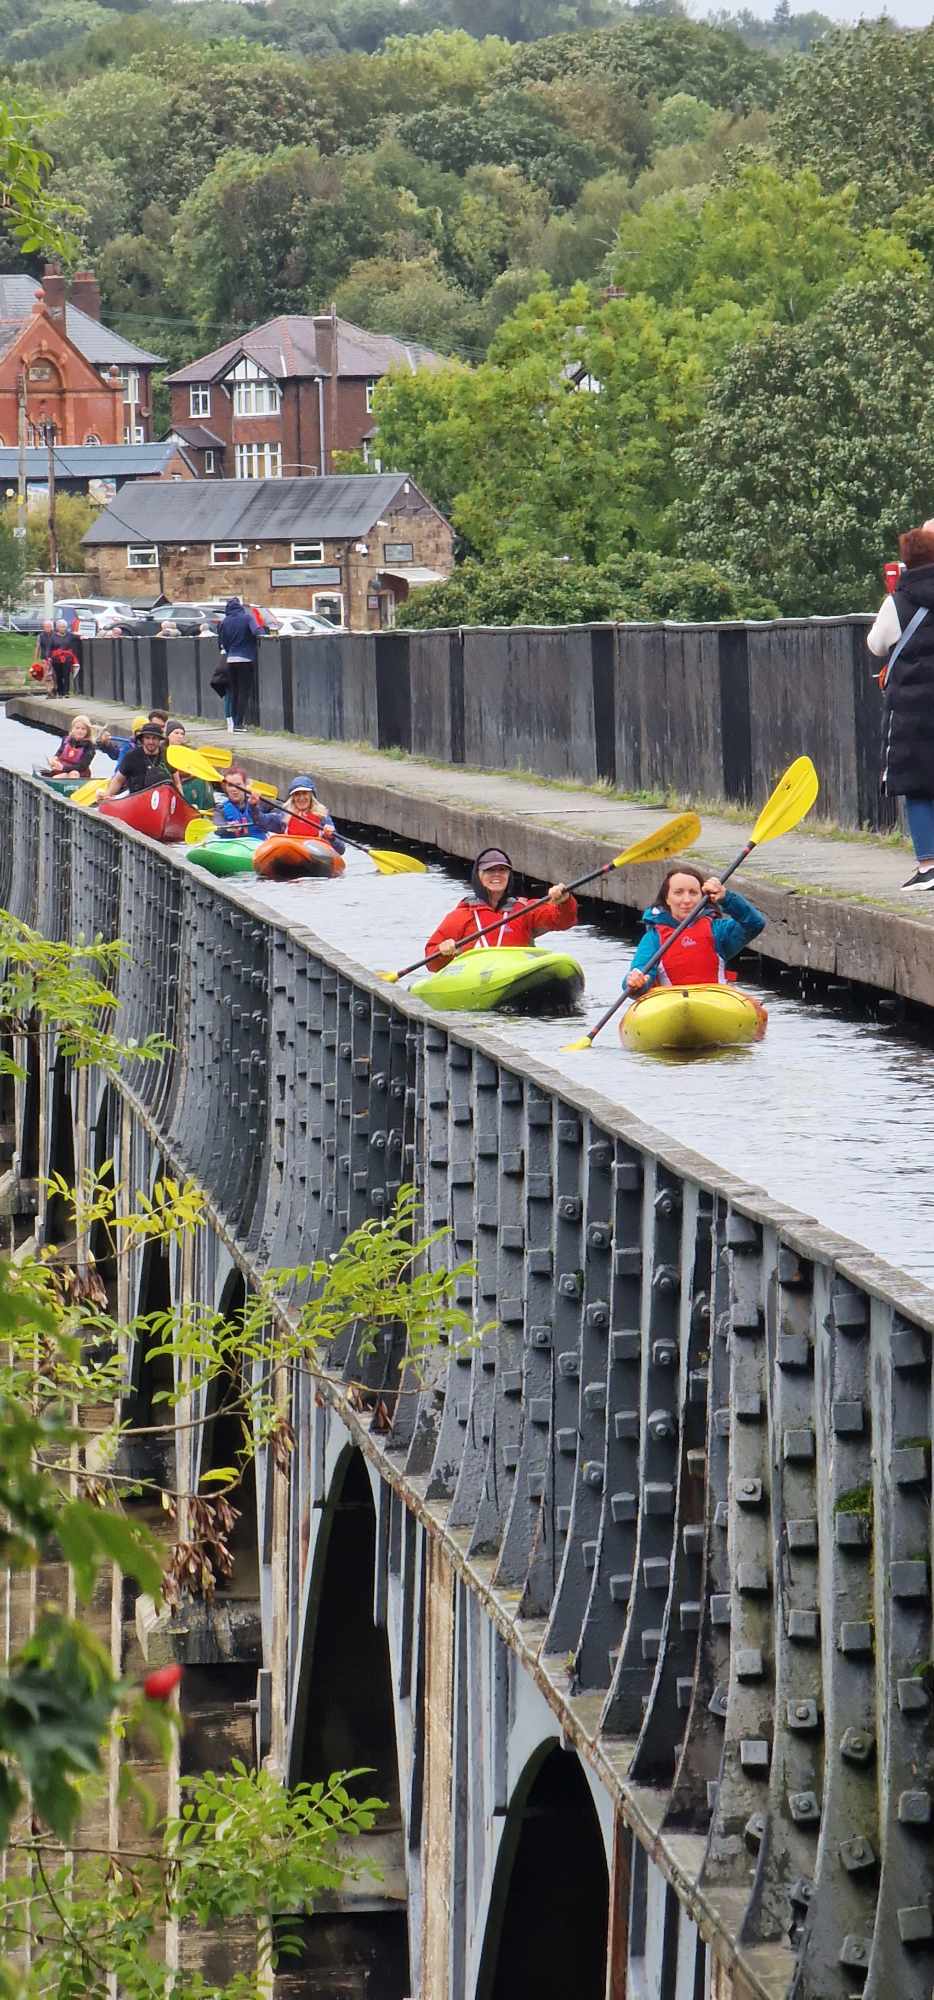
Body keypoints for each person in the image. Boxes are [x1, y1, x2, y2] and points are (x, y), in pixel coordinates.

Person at [868, 523, 934, 890]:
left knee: (919, 786)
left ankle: (928, 865)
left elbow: (877, 644)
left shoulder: (898, 602)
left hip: (912, 710)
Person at [624, 866, 765, 994]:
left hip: (717, 1004)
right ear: (667, 899)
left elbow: (754, 923)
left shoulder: (718, 931)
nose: (686, 900)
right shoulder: (654, 938)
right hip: (671, 1006)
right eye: (678, 893)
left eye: (693, 893)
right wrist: (636, 982)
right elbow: (638, 973)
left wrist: (727, 898)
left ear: (702, 898)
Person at [425, 848, 576, 968]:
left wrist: (565, 901)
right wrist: (442, 951)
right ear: (478, 876)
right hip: (476, 980)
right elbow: (431, 962)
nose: (496, 875)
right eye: (489, 870)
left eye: (502, 870)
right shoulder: (461, 915)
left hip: (517, 973)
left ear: (509, 875)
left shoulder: (524, 909)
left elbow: (563, 921)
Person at [217, 598, 261, 733]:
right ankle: (238, 723)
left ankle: (234, 723)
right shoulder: (247, 618)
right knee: (244, 691)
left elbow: (222, 642)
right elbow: (256, 631)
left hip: (231, 659)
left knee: (235, 692)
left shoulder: (225, 622)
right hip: (246, 658)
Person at [102, 721, 168, 799]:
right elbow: (118, 780)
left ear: (159, 740)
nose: (151, 742)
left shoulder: (167, 755)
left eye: (154, 738)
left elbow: (177, 783)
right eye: (147, 738)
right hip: (137, 799)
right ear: (142, 739)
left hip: (163, 798)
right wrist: (107, 796)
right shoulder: (131, 756)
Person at [283, 776, 346, 853]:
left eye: (305, 793)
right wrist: (263, 803)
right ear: (292, 798)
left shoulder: (322, 816)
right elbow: (265, 821)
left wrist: (331, 837)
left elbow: (341, 849)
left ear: (311, 796)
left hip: (315, 856)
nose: (301, 798)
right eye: (297, 794)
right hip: (290, 855)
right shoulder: (285, 815)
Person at [214, 768, 283, 838]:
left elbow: (281, 810)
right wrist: (227, 827)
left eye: (238, 784)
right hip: (233, 846)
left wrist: (268, 818)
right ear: (225, 787)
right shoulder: (220, 808)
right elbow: (217, 828)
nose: (234, 789)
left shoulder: (259, 802)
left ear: (245, 785)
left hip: (257, 845)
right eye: (230, 785)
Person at [163, 720, 215, 810]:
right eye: (176, 733)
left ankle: (206, 809)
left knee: (202, 781)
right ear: (168, 735)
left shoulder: (187, 751)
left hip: (187, 781)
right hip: (171, 784)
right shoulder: (163, 752)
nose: (179, 736)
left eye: (182, 734)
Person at [48, 629, 80, 699]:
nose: (63, 628)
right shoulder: (53, 637)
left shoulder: (69, 635)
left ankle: (66, 692)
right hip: (56, 659)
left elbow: (77, 637)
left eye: (64, 627)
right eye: (61, 627)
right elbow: (49, 648)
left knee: (66, 675)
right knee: (59, 676)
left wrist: (82, 636)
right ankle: (60, 692)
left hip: (67, 658)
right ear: (58, 628)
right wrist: (49, 657)